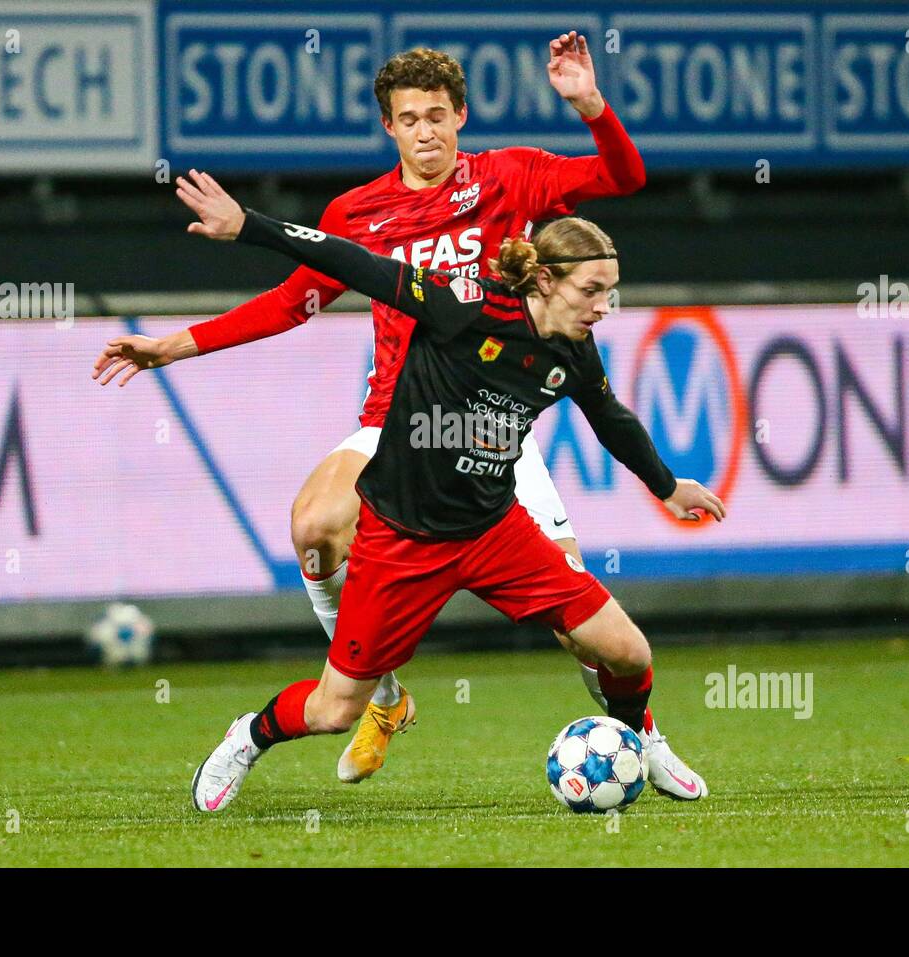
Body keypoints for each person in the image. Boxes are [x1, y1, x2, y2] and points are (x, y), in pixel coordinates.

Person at [94, 35, 699, 787]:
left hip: (495, 427)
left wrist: (592, 109)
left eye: (439, 116)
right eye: (410, 118)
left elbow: (623, 177)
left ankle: (644, 738)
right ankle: (376, 692)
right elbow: (293, 304)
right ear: (389, 127)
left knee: (590, 633)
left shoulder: (513, 176)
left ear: (462, 116)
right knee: (315, 523)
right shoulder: (360, 211)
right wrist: (175, 346)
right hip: (399, 420)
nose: (426, 132)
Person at [171, 201, 725, 813]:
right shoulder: (466, 304)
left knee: (628, 651)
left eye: (610, 292)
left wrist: (666, 486)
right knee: (333, 710)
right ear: (545, 280)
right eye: (593, 291)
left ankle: (638, 742)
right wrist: (249, 226)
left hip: (495, 531)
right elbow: (350, 260)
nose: (603, 306)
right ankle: (249, 737)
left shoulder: (574, 347)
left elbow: (610, 418)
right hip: (401, 539)